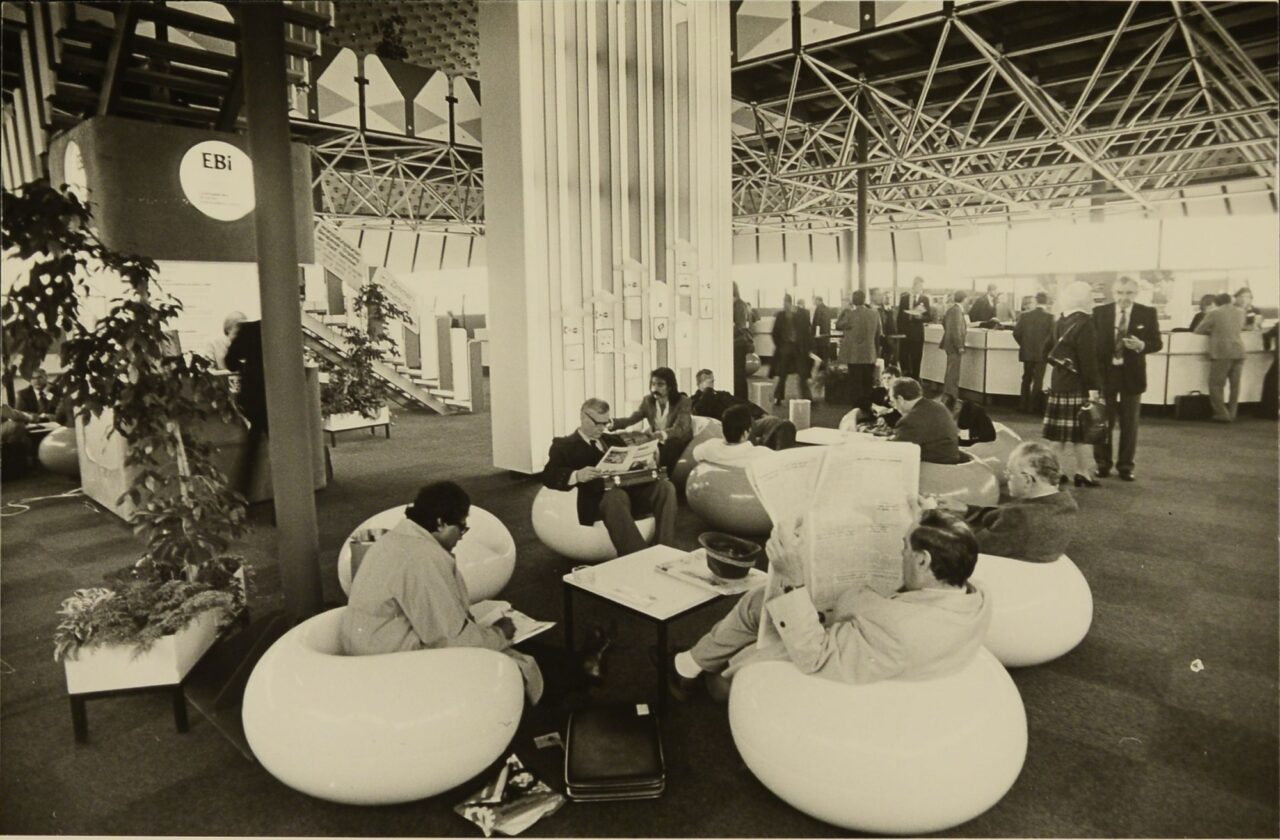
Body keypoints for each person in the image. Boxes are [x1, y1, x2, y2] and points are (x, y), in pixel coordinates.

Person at [669, 508, 991, 697]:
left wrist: (795, 580)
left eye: (905, 547)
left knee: (727, 679)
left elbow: (816, 656)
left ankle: (698, 670)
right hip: (865, 636)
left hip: (832, 661)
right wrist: (927, 516)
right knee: (759, 599)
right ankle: (692, 662)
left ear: (923, 560)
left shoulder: (898, 629)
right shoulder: (977, 598)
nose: (900, 552)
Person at [341, 481, 545, 702]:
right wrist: (500, 634)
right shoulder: (424, 557)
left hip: (371, 648)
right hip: (391, 662)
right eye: (461, 527)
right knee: (517, 664)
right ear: (441, 523)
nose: (461, 536)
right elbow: (450, 640)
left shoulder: (396, 539)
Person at [543, 398, 677, 557]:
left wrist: (644, 464)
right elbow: (549, 475)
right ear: (583, 417)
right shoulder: (564, 445)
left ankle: (665, 551)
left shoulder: (613, 440)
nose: (602, 428)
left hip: (628, 495)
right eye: (597, 423)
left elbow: (629, 465)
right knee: (615, 496)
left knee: (666, 487)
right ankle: (638, 557)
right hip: (597, 503)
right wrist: (577, 475)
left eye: (605, 423)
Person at [934, 441, 1078, 563]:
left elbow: (971, 545)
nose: (1007, 477)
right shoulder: (1066, 506)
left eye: (1010, 473)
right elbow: (1006, 516)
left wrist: (946, 518)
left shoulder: (1021, 518)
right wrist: (967, 509)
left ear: (1027, 480)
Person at [1092, 276, 1163, 481]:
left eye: (1129, 293)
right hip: (1105, 374)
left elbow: (1157, 343)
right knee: (1102, 421)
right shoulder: (1099, 312)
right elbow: (1092, 344)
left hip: (1132, 374)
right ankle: (1103, 464)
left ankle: (1125, 466)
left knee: (1130, 423)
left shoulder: (1147, 313)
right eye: (1120, 293)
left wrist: (1142, 346)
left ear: (1136, 293)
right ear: (1113, 293)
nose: (1124, 298)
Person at [1043, 281, 1103, 487]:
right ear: (1085, 298)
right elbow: (1088, 361)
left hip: (1059, 383)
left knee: (1057, 437)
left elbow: (1045, 351)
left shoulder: (1059, 320)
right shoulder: (1085, 323)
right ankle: (1083, 473)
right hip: (1078, 386)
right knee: (1082, 435)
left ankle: (1054, 473)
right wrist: (1094, 389)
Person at [690, 369, 796, 450]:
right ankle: (763, 448)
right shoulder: (695, 400)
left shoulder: (722, 394)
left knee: (776, 422)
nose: (712, 384)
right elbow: (700, 410)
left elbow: (745, 403)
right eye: (709, 382)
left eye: (713, 381)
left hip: (748, 422)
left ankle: (774, 450)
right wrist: (708, 391)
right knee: (747, 430)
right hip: (728, 430)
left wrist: (762, 413)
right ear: (699, 384)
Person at [612, 367, 692, 473]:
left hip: (678, 441)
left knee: (672, 444)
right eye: (653, 384)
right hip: (657, 441)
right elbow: (632, 418)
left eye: (660, 385)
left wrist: (662, 435)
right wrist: (613, 423)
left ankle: (665, 476)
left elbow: (681, 428)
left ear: (670, 387)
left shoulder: (683, 401)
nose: (654, 389)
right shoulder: (648, 401)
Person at [224, 319, 267, 496]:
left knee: (252, 445)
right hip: (279, 395)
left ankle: (241, 490)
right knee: (282, 445)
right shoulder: (283, 329)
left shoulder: (247, 330)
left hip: (255, 396)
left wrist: (247, 368)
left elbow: (230, 362)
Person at [1195, 292, 1246, 422]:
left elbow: (1199, 330)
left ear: (1217, 302)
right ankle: (1232, 413)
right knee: (1235, 385)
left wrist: (1213, 331)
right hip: (1239, 351)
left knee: (1216, 384)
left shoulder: (1214, 313)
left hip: (1222, 352)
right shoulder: (1241, 312)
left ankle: (1222, 413)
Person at [890, 377, 961, 464]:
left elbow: (893, 452)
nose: (894, 407)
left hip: (934, 468)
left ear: (900, 399)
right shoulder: (938, 406)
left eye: (892, 402)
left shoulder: (912, 419)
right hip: (948, 464)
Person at [835, 289, 882, 412]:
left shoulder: (850, 314)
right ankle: (868, 409)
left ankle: (857, 410)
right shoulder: (874, 314)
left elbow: (838, 325)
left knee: (856, 385)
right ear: (864, 299)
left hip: (854, 355)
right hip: (870, 353)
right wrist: (876, 352)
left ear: (853, 300)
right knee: (868, 384)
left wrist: (844, 310)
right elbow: (878, 334)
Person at [692, 403, 772, 467]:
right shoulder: (761, 454)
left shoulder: (709, 447)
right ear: (745, 434)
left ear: (723, 430)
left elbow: (695, 455)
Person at [1013, 292, 1054, 414]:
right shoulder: (1050, 317)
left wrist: (1024, 344)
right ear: (1047, 302)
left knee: (1026, 378)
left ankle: (1022, 405)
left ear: (1036, 301)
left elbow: (1016, 333)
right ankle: (1033, 407)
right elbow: (1053, 337)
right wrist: (1047, 349)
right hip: (1042, 353)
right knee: (1038, 380)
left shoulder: (1024, 316)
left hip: (1027, 352)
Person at [771, 294, 812, 405]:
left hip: (796, 348)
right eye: (784, 303)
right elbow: (775, 332)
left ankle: (806, 397)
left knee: (801, 373)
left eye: (786, 302)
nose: (784, 305)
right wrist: (780, 345)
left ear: (790, 303)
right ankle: (779, 397)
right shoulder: (781, 315)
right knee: (783, 374)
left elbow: (806, 332)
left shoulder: (800, 315)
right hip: (787, 347)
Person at [898, 277, 931, 379]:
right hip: (905, 333)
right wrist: (900, 331)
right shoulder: (904, 298)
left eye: (921, 286)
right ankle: (905, 379)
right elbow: (899, 316)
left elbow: (928, 317)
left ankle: (915, 379)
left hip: (917, 334)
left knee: (916, 358)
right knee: (904, 357)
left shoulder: (925, 299)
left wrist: (921, 317)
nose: (920, 288)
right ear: (914, 285)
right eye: (919, 285)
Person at [941, 291, 968, 398]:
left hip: (950, 344)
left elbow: (944, 323)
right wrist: (960, 346)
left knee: (951, 371)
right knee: (953, 373)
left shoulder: (951, 310)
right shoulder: (957, 311)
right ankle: (951, 396)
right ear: (964, 299)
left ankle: (948, 395)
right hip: (954, 346)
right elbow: (956, 330)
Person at [732, 283, 755, 399]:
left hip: (739, 344)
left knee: (738, 375)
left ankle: (741, 400)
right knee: (738, 375)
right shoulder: (741, 305)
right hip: (739, 343)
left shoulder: (739, 306)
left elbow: (740, 327)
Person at [870, 288, 897, 365]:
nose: (881, 297)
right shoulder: (870, 310)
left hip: (886, 341)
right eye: (878, 295)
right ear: (872, 296)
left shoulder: (887, 310)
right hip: (875, 342)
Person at [811, 295, 832, 366]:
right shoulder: (827, 309)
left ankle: (821, 367)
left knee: (819, 353)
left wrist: (812, 334)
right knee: (825, 352)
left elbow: (816, 322)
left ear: (818, 300)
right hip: (827, 335)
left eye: (814, 300)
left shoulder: (818, 308)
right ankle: (825, 366)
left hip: (819, 335)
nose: (813, 302)